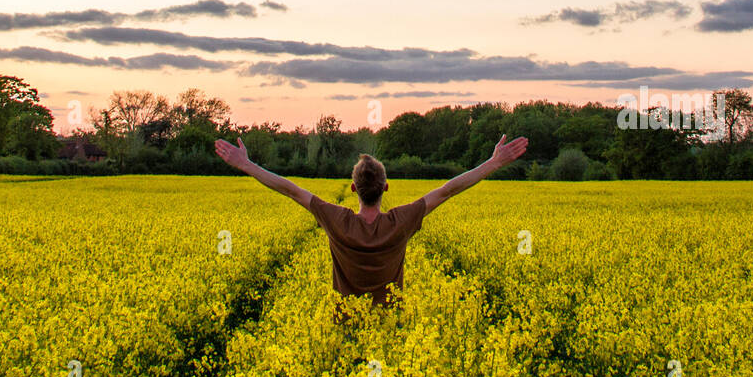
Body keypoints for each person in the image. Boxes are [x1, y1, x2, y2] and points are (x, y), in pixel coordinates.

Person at [212, 134, 528, 305]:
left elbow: (291, 190)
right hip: (389, 326)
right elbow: (447, 191)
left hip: (345, 327)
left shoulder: (336, 220)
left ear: (353, 189)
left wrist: (247, 165)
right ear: (386, 188)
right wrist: (494, 162)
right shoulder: (399, 223)